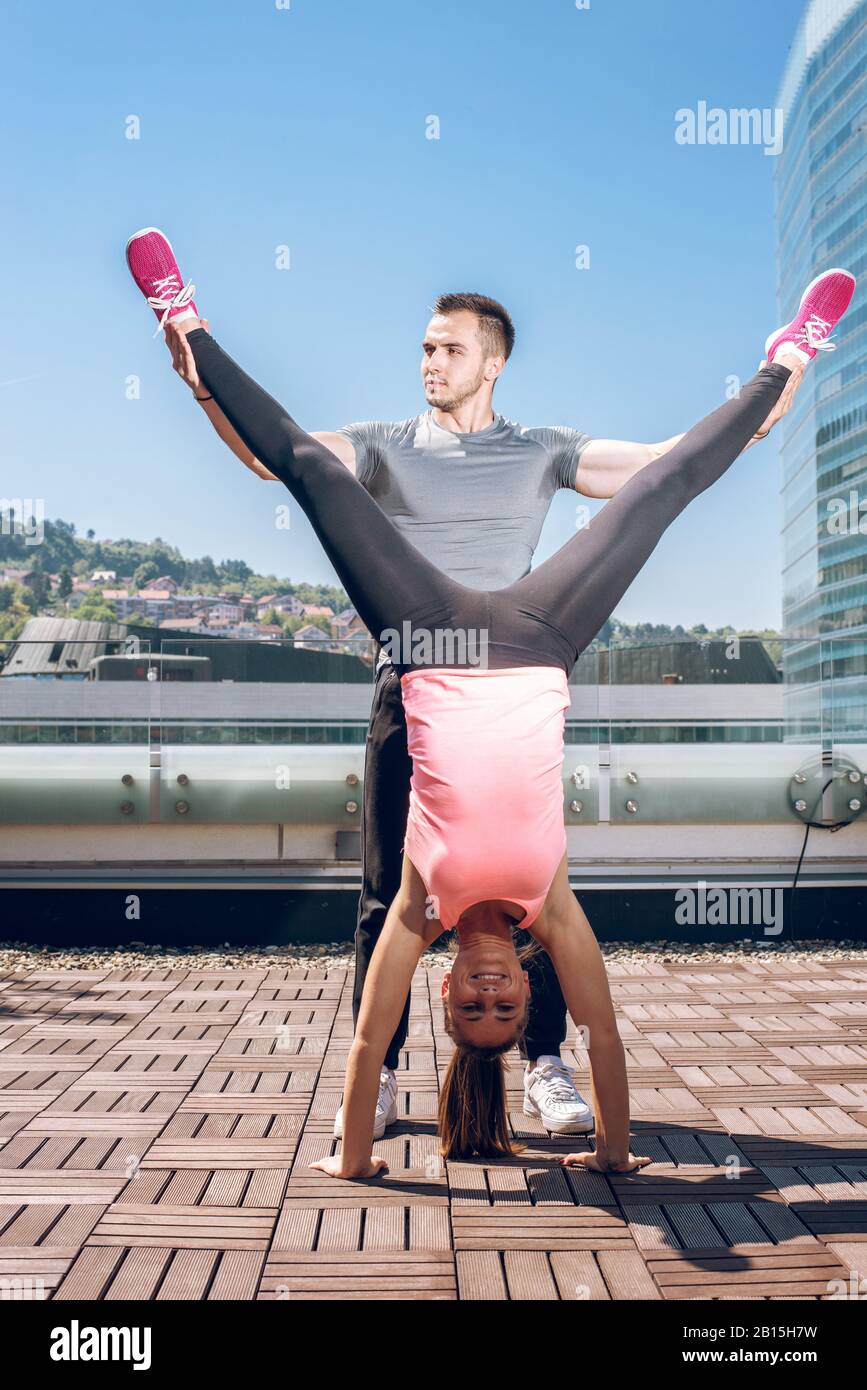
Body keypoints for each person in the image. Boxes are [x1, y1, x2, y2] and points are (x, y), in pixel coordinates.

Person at [127, 231, 855, 1171]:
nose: (430, 360)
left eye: (449, 347)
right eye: (424, 347)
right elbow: (283, 459)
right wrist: (200, 382)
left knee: (669, 486)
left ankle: (540, 1061)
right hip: (496, 652)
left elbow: (665, 465)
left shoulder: (544, 448)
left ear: (493, 361)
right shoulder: (387, 445)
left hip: (445, 644)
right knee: (375, 885)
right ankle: (187, 323)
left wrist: (764, 405)